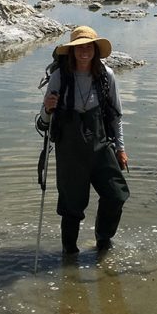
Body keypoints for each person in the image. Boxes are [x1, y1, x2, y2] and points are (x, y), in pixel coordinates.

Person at [39, 25, 129, 256]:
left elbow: (116, 115)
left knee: (116, 194)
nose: (84, 51)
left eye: (88, 46)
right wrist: (48, 110)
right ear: (72, 51)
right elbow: (43, 121)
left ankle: (103, 240)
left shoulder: (106, 76)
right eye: (79, 47)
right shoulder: (60, 77)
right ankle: (69, 254)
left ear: (95, 50)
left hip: (100, 147)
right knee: (71, 207)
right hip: (70, 152)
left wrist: (120, 148)